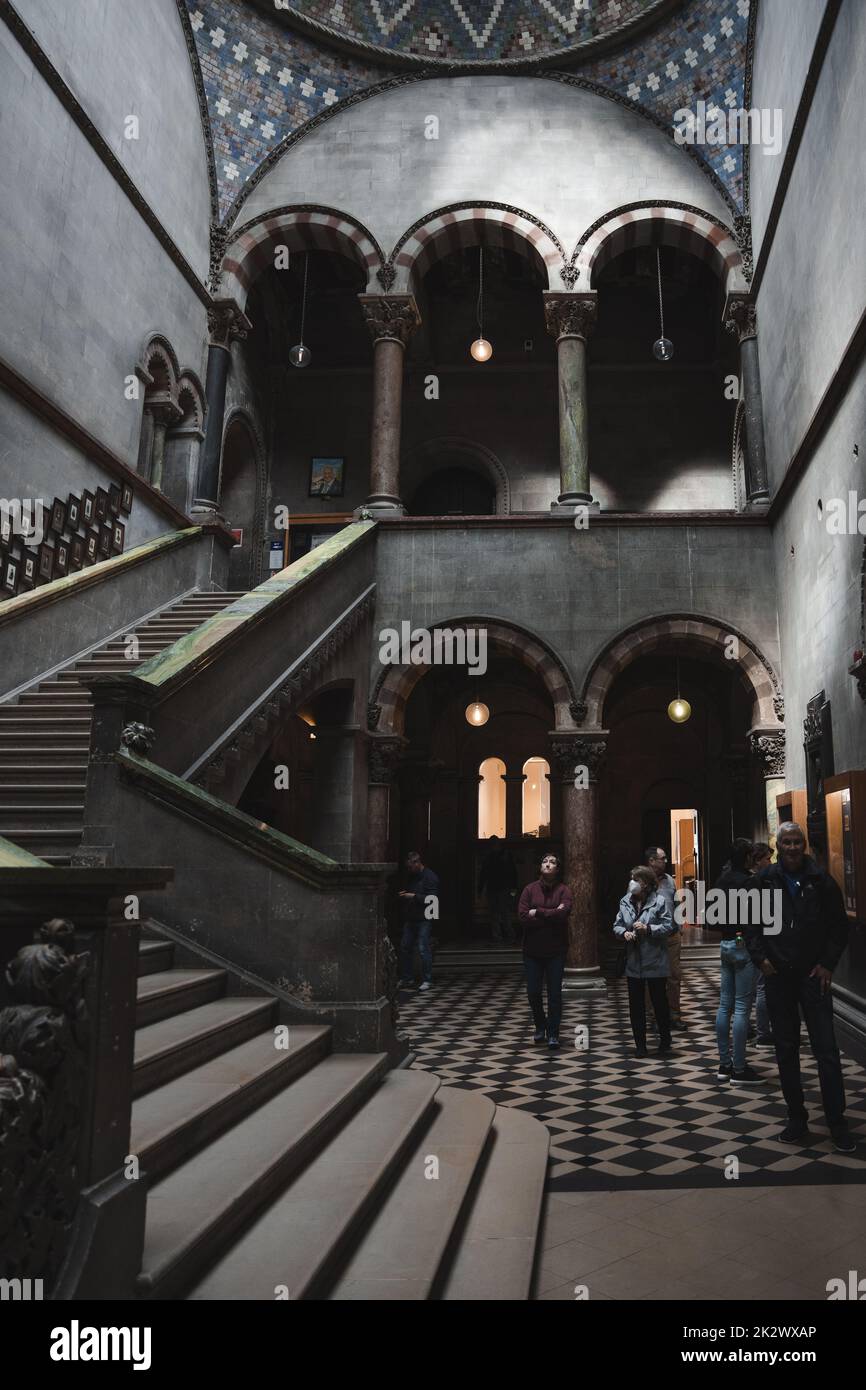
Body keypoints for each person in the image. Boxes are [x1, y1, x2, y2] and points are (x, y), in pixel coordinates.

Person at [746, 822, 856, 1152]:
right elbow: (750, 923)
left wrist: (827, 963)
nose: (792, 847)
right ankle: (796, 1117)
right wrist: (760, 959)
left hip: (812, 974)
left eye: (797, 842)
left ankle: (837, 1121)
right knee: (786, 1047)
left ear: (804, 845)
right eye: (787, 842)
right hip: (778, 975)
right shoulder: (765, 880)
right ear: (778, 846)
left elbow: (839, 926)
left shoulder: (821, 881)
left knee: (826, 1050)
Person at [713, 838, 764, 1085]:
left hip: (725, 943)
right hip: (744, 945)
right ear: (747, 858)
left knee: (725, 1006)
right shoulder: (749, 882)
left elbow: (712, 917)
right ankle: (740, 1069)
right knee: (743, 1007)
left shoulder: (722, 881)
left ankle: (724, 1064)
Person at [613, 865, 675, 1057]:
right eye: (631, 878)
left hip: (655, 959)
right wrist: (624, 933)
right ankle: (640, 1044)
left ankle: (665, 1041)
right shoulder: (625, 901)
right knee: (636, 1005)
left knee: (659, 1003)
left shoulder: (659, 901)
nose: (632, 882)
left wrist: (648, 929)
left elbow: (668, 927)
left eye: (637, 879)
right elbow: (617, 925)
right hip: (634, 961)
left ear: (646, 884)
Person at [517, 853, 571, 1050]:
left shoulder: (564, 890)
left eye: (553, 862)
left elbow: (563, 914)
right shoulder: (529, 890)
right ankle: (541, 1025)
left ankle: (553, 1034)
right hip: (532, 950)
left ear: (557, 869)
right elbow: (523, 917)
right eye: (545, 861)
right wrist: (551, 913)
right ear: (540, 867)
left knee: (555, 994)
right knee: (533, 993)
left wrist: (537, 912)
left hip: (556, 950)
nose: (548, 864)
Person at [646, 847, 682, 1029]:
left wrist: (679, 928)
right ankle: (654, 1017)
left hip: (671, 936)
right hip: (651, 938)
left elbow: (677, 904)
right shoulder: (641, 881)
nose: (665, 861)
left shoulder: (669, 880)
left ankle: (674, 1015)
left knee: (674, 977)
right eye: (662, 858)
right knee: (653, 979)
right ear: (652, 861)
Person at [397, 850, 440, 993]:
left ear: (417, 862)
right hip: (411, 917)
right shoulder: (413, 876)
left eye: (410, 866)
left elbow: (432, 899)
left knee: (423, 948)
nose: (409, 869)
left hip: (424, 918)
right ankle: (407, 977)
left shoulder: (430, 877)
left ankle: (427, 979)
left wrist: (413, 896)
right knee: (405, 947)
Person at [749, 841, 774, 1044]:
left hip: (755, 940)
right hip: (759, 941)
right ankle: (763, 1033)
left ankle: (759, 1029)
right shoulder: (756, 882)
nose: (770, 862)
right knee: (762, 987)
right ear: (757, 861)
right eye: (767, 859)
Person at [478, 835, 518, 945]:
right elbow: (513, 873)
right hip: (502, 888)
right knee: (503, 913)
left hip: (496, 888)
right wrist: (514, 890)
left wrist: (480, 890)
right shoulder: (505, 855)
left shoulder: (489, 857)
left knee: (497, 914)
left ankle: (499, 937)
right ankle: (509, 936)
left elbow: (483, 874)